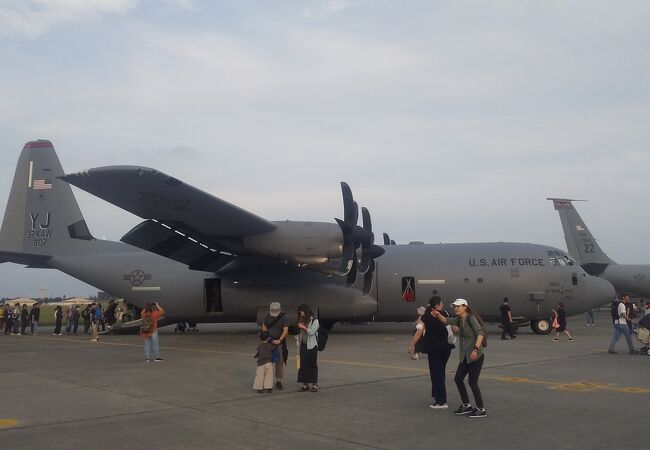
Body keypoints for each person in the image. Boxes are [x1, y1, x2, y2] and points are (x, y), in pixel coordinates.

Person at [433, 298, 487, 418]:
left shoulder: (470, 318)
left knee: (472, 382)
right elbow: (445, 320)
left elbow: (480, 333)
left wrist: (475, 349)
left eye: (459, 306)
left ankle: (481, 408)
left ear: (465, 307)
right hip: (464, 357)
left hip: (475, 355)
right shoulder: (459, 320)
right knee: (458, 379)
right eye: (455, 306)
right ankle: (467, 405)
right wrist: (436, 313)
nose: (456, 308)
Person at [409, 296, 454, 409]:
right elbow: (453, 328)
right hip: (446, 348)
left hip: (434, 348)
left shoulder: (426, 317)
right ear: (436, 306)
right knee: (440, 372)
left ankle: (440, 401)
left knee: (436, 374)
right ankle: (437, 397)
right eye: (441, 303)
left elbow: (419, 331)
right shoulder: (446, 314)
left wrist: (412, 344)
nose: (442, 305)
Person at [261, 302, 289, 390]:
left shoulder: (285, 317)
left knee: (279, 362)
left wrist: (279, 340)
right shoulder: (267, 316)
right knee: (266, 362)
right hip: (269, 342)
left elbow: (285, 330)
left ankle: (278, 381)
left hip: (279, 343)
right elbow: (264, 326)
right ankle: (266, 382)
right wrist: (266, 337)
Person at [296, 304, 319, 392]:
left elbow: (311, 332)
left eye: (301, 312)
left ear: (305, 311)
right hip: (303, 344)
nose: (300, 314)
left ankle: (314, 384)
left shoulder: (315, 321)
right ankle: (305, 384)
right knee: (303, 364)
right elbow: (300, 332)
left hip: (312, 346)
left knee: (312, 364)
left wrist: (304, 327)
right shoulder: (301, 320)